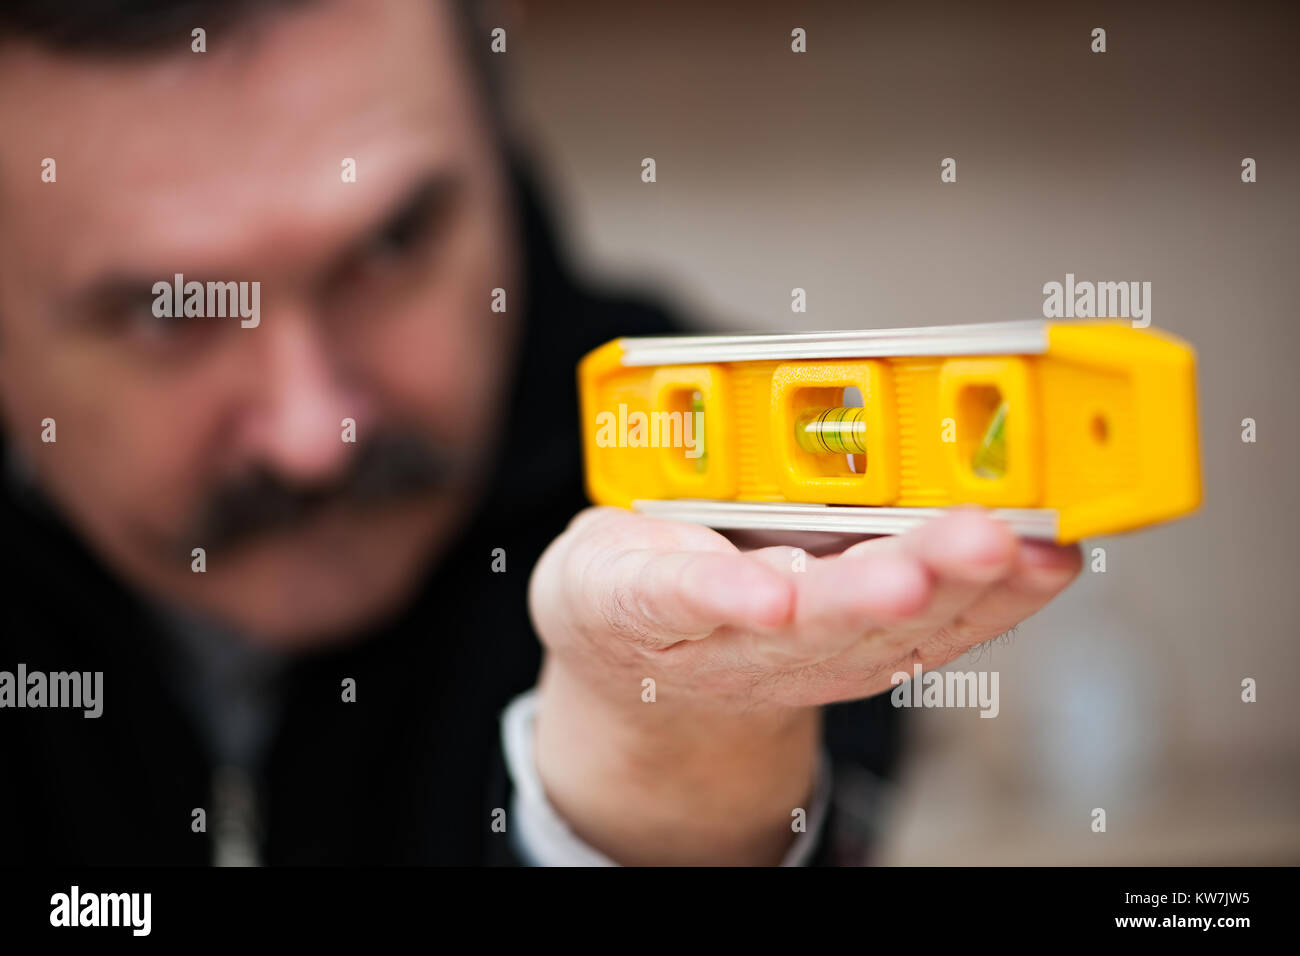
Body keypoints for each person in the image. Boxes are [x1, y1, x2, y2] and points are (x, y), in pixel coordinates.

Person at [0, 0, 1081, 866]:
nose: (315, 433)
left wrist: (663, 785)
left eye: (391, 244)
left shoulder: (741, 521)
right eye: (168, 314)